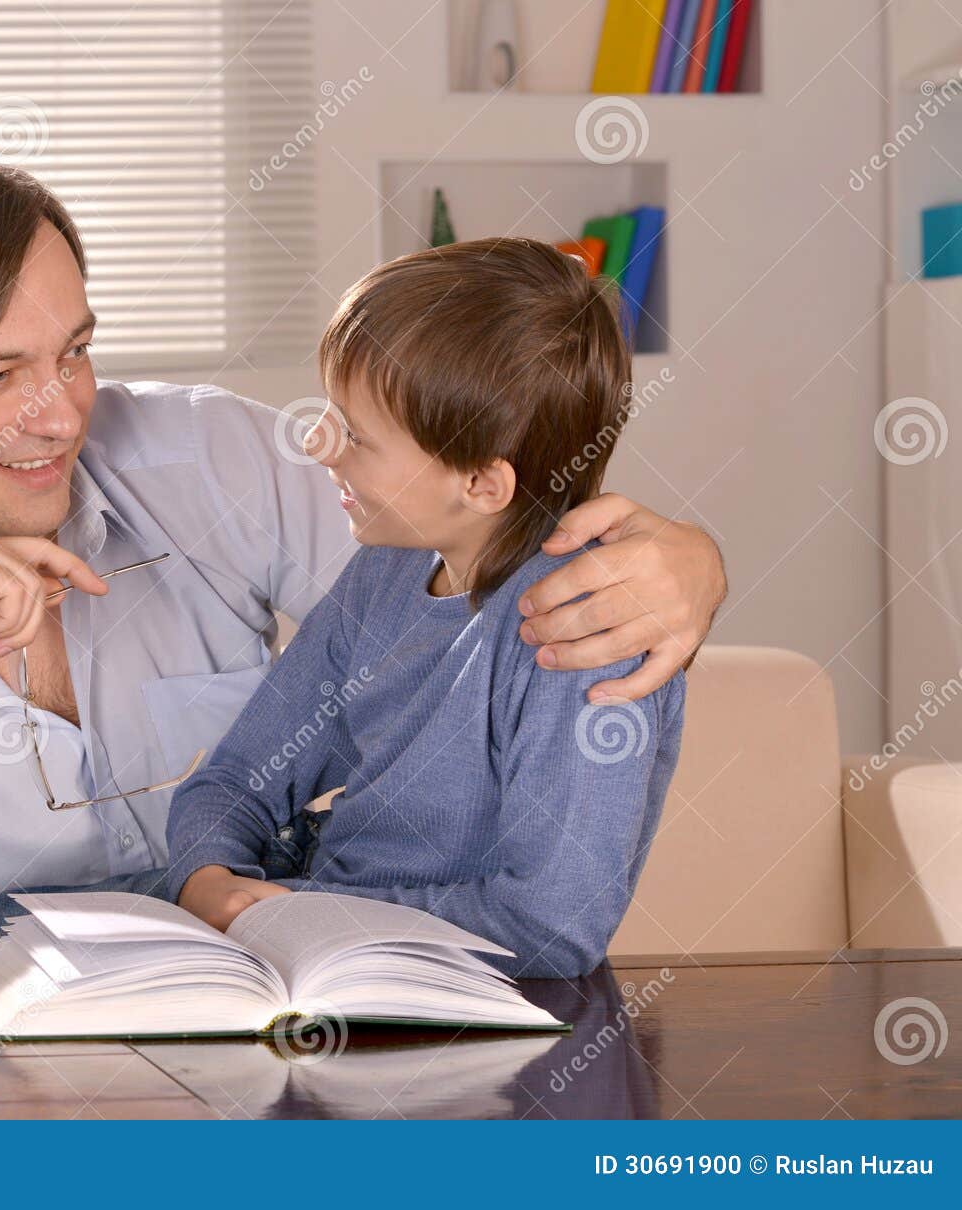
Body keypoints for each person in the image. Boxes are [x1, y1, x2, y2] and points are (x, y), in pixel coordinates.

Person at [0, 139, 724, 988]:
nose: (60, 416)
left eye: (76, 350)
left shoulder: (206, 455)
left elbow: (465, 520)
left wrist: (684, 560)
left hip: (247, 1053)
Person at [168, 238, 686, 978]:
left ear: (481, 484)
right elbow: (235, 780)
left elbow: (552, 927)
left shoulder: (588, 629)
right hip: (316, 957)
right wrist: (209, 880)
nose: (319, 445)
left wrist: (300, 908)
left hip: (483, 1012)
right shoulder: (386, 570)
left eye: (355, 433)